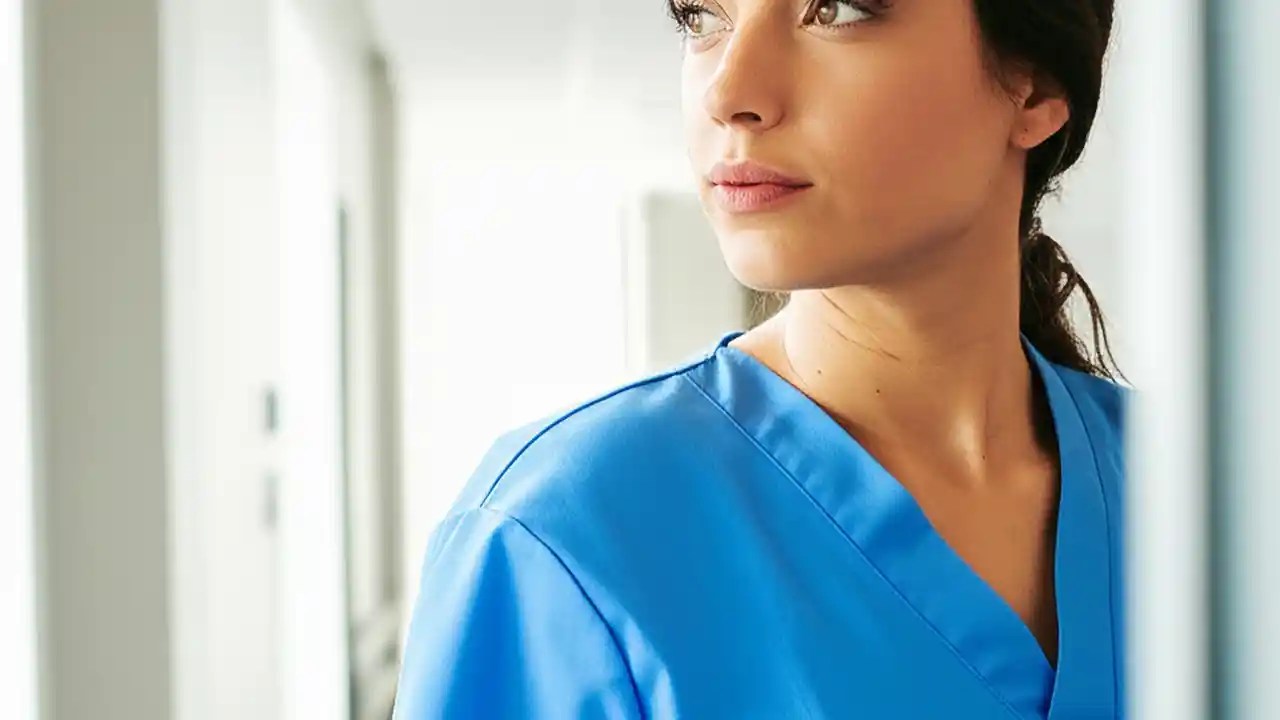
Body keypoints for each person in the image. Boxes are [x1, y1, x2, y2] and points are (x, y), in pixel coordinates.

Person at [393, 0, 1127, 717]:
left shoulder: (1181, 485)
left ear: (1034, 85)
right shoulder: (557, 535)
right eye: (700, 16)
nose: (729, 94)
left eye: (836, 11)